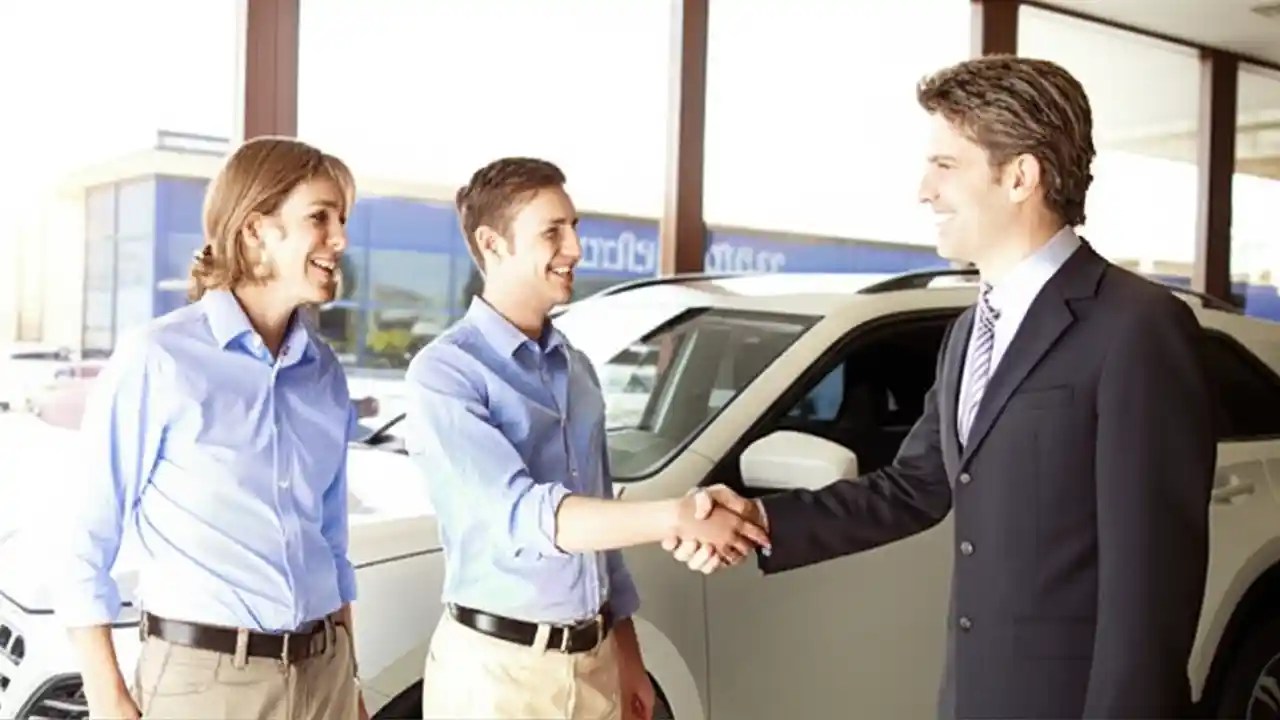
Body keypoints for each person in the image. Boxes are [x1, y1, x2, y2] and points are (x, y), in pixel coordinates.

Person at [666, 55, 1217, 719]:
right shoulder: (968, 332)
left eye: (945, 165)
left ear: (1021, 176)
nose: (924, 191)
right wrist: (761, 519)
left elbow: (1151, 588)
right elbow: (915, 487)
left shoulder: (1138, 328)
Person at [404, 156, 769, 720]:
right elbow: (526, 516)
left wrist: (627, 655)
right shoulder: (445, 374)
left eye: (574, 228)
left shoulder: (575, 367)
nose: (575, 248)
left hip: (594, 662)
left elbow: (601, 534)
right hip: (499, 678)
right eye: (553, 231)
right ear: (492, 243)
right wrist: (678, 515)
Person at [55, 136, 369, 720]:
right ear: (255, 230)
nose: (340, 240)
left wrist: (349, 684)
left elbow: (331, 544)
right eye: (319, 218)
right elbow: (84, 542)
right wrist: (108, 697)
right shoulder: (160, 358)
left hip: (326, 671)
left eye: (342, 219)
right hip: (207, 687)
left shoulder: (323, 373)